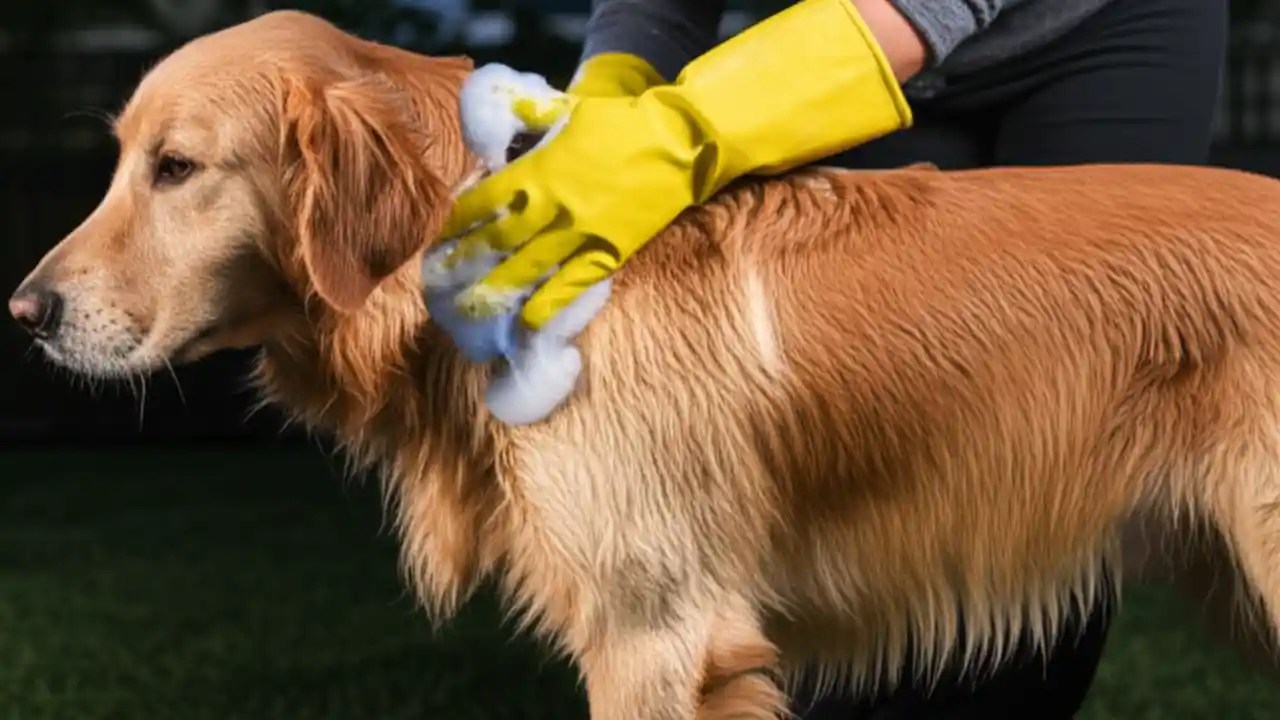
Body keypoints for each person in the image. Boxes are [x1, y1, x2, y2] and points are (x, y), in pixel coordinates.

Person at [437, 0, 1228, 716]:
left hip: (1092, 35)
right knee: (854, 453)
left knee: (1047, 470)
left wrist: (679, 133)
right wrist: (608, 98)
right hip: (833, 32)